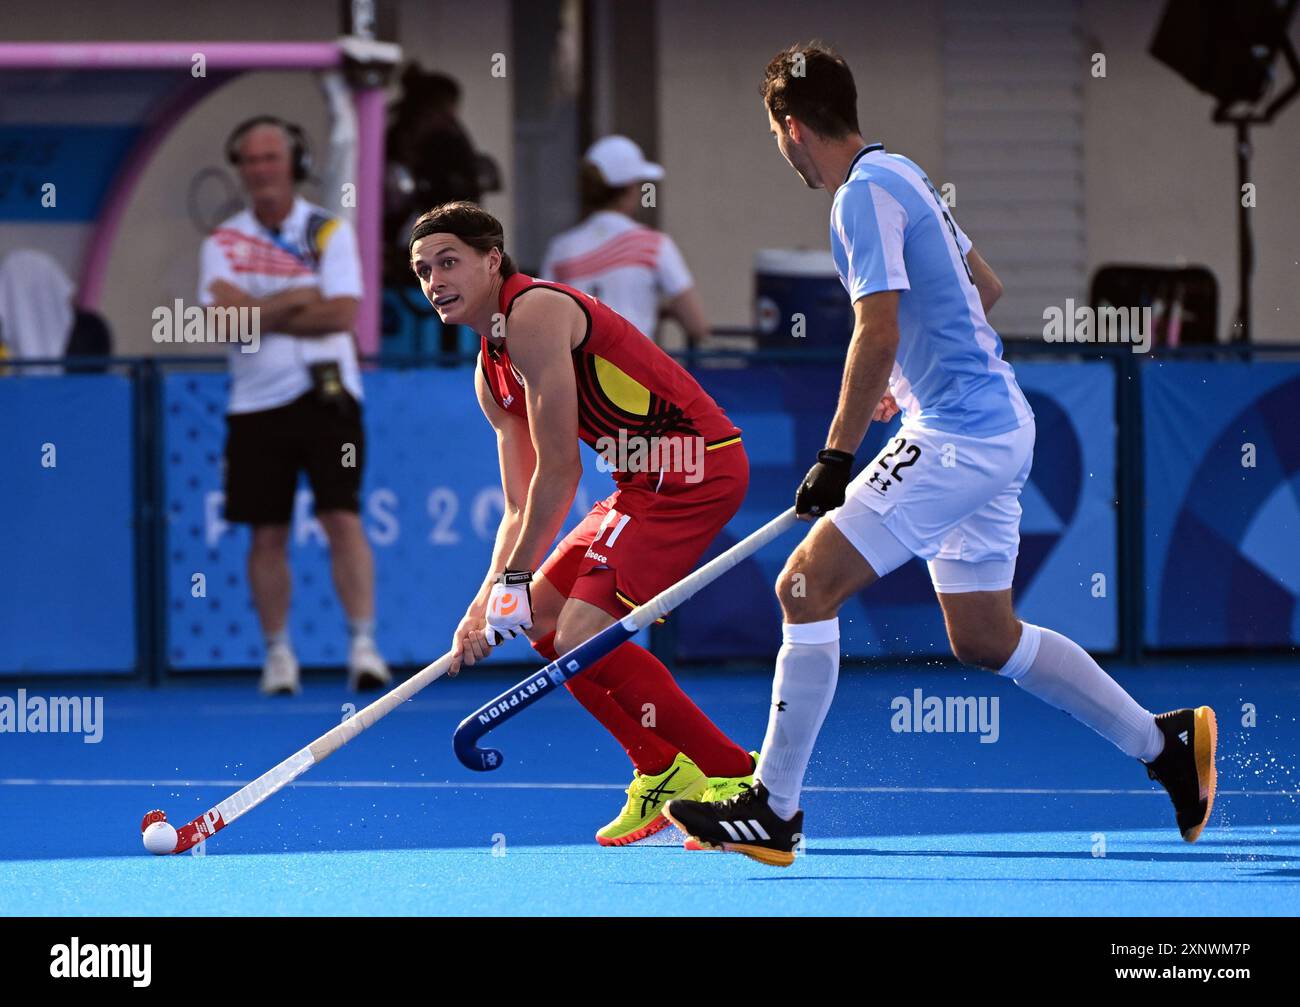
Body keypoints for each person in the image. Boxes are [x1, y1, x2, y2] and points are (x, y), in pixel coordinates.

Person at [664, 43, 1217, 867]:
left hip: (961, 435)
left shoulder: (859, 197)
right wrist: (910, 386)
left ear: (790, 127)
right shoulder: (906, 174)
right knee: (985, 635)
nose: (781, 152)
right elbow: (981, 288)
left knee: (803, 585)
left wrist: (837, 453)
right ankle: (1164, 744)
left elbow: (877, 326)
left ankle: (773, 808)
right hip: (990, 425)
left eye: (776, 137)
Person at [410, 201, 755, 845]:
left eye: (449, 261)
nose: (434, 281)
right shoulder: (490, 371)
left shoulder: (536, 313)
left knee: (580, 634)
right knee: (541, 620)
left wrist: (513, 575)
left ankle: (737, 778)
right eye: (423, 270)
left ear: (492, 260)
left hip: (695, 471)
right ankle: (662, 770)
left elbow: (562, 472)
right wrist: (487, 598)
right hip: (640, 484)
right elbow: (519, 503)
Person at [200, 116, 389, 695]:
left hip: (329, 399)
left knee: (341, 516)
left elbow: (340, 314)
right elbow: (220, 321)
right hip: (255, 404)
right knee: (266, 533)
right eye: (250, 161)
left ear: (294, 164)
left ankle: (362, 645)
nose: (260, 171)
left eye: (270, 159)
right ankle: (278, 654)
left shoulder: (328, 230)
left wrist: (258, 309)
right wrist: (297, 298)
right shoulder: (222, 241)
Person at [540, 135, 710, 352]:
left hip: (577, 377)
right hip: (633, 377)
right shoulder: (655, 245)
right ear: (629, 188)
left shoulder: (560, 249)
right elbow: (698, 326)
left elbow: (543, 317)